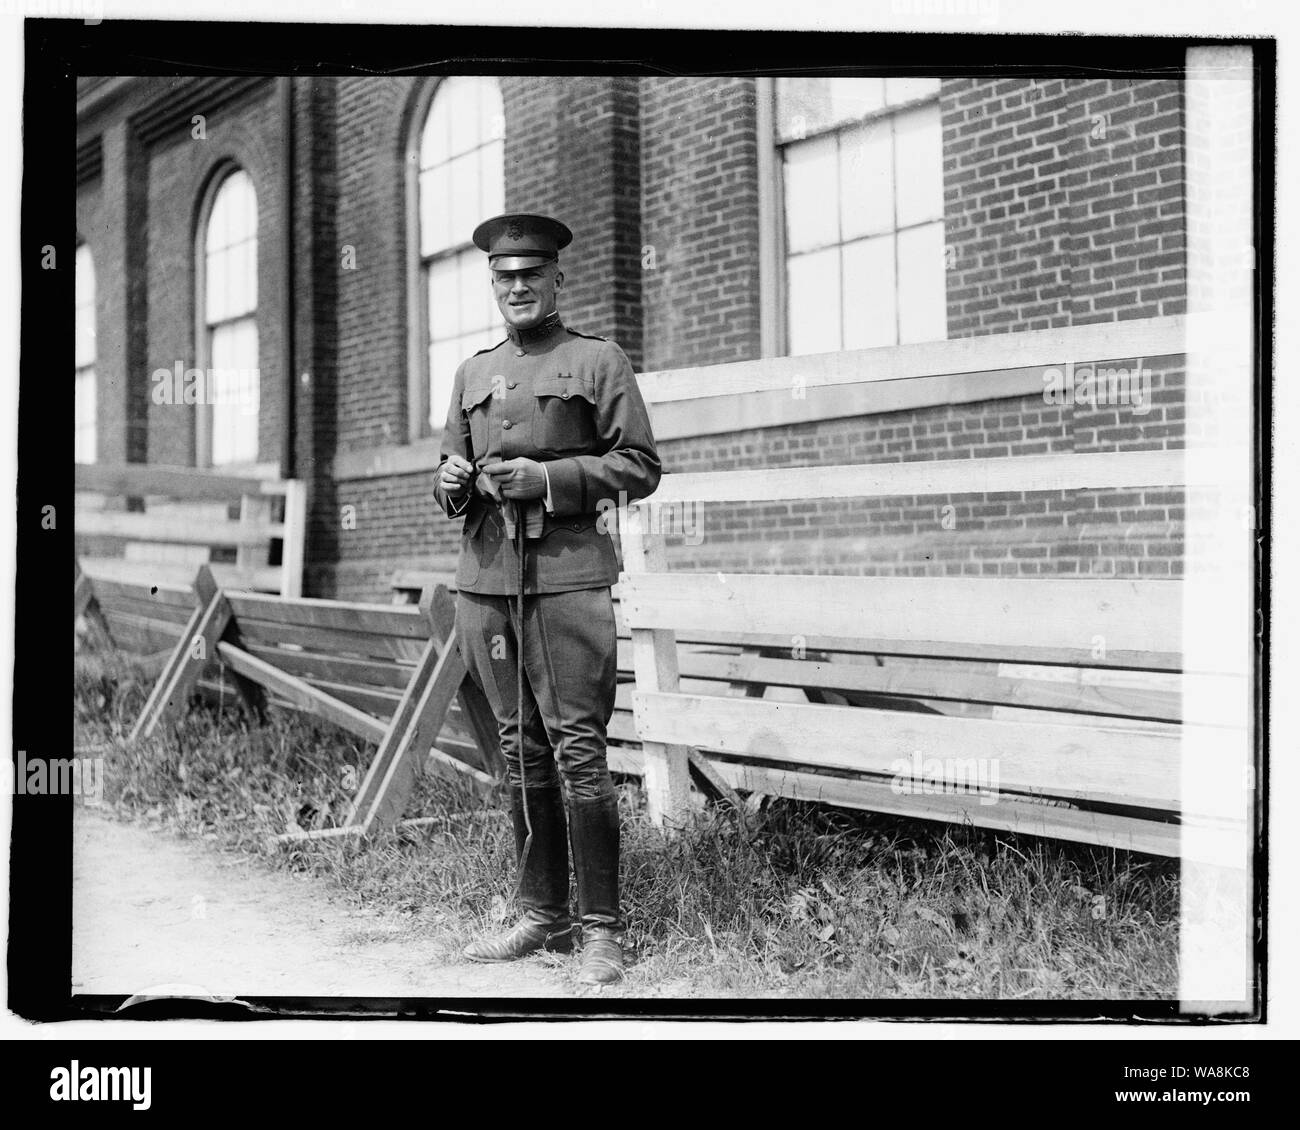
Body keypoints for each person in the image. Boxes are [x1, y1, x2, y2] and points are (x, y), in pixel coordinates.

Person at [432, 212, 661, 985]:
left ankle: (602, 929)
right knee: (516, 748)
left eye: (531, 275)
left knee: (580, 752)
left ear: (557, 278)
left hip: (568, 575)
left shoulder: (598, 360)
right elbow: (448, 472)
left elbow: (640, 465)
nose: (518, 287)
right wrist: (451, 484)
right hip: (486, 582)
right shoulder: (471, 372)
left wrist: (555, 481)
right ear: (492, 283)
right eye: (504, 277)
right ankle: (541, 914)